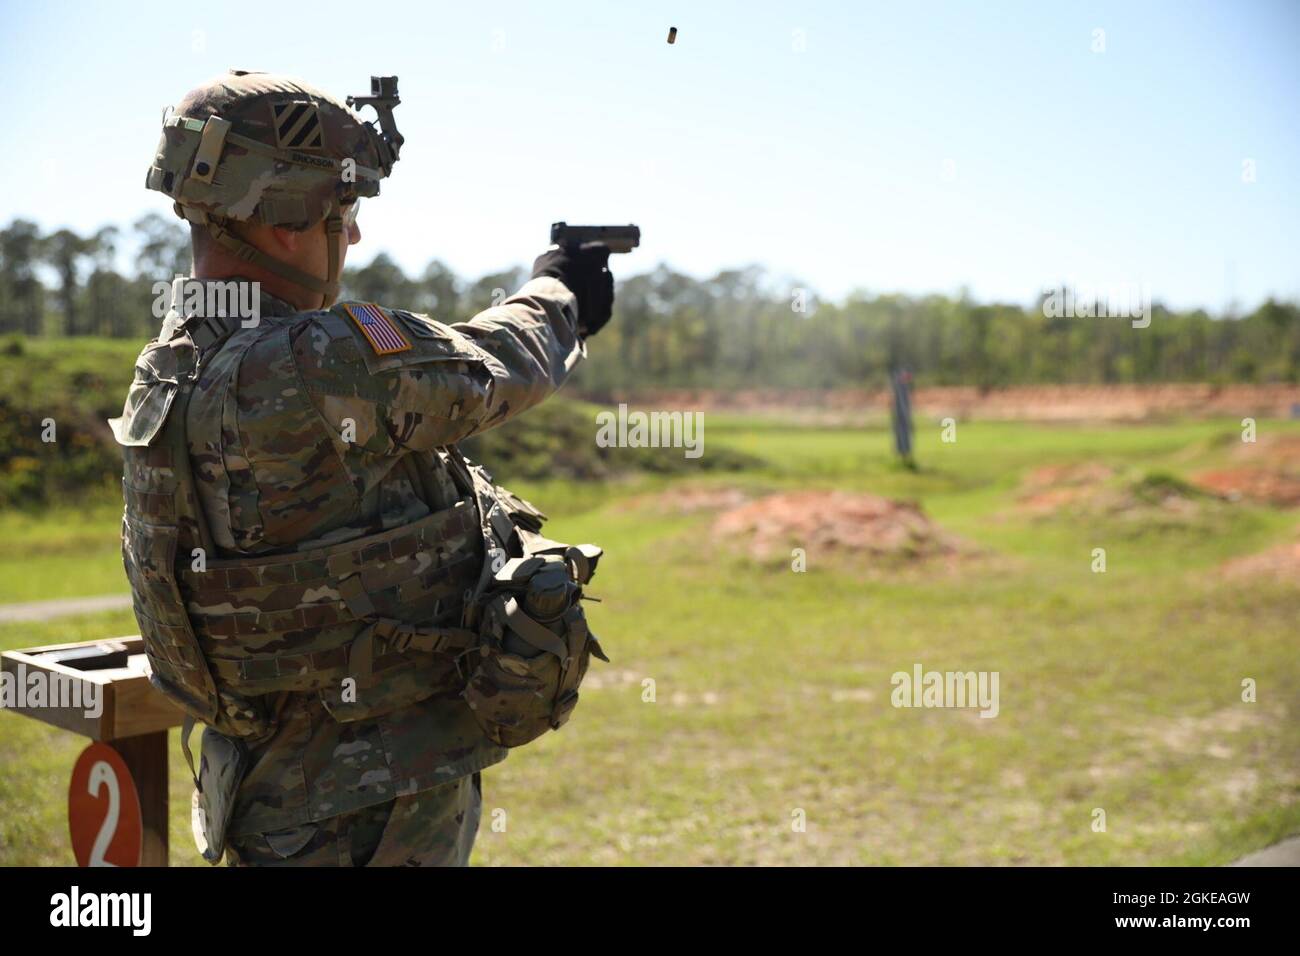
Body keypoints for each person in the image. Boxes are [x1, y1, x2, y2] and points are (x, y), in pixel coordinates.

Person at [112, 70, 613, 866]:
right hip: (368, 807)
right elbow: (493, 365)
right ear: (283, 221)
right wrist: (561, 293)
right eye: (343, 212)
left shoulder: (170, 366)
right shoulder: (319, 363)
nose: (351, 238)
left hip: (258, 787)